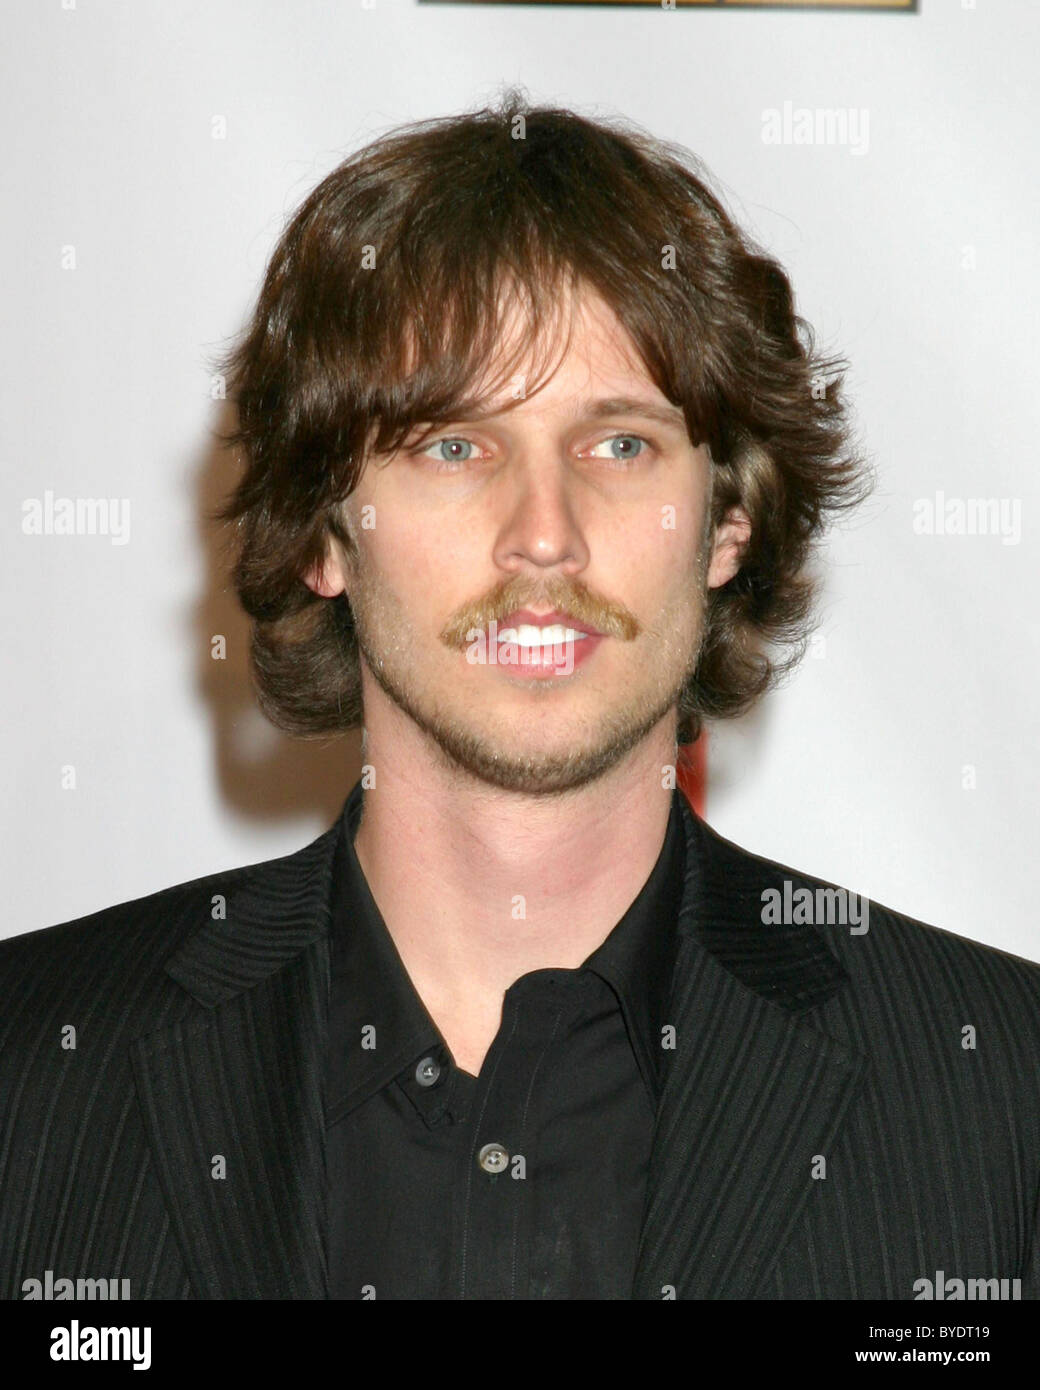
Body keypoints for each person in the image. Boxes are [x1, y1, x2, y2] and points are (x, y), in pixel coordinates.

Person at [2, 92, 1037, 1302]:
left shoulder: (997, 1097)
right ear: (323, 535)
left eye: (618, 446)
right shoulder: (34, 1070)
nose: (541, 538)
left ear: (725, 525)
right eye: (453, 446)